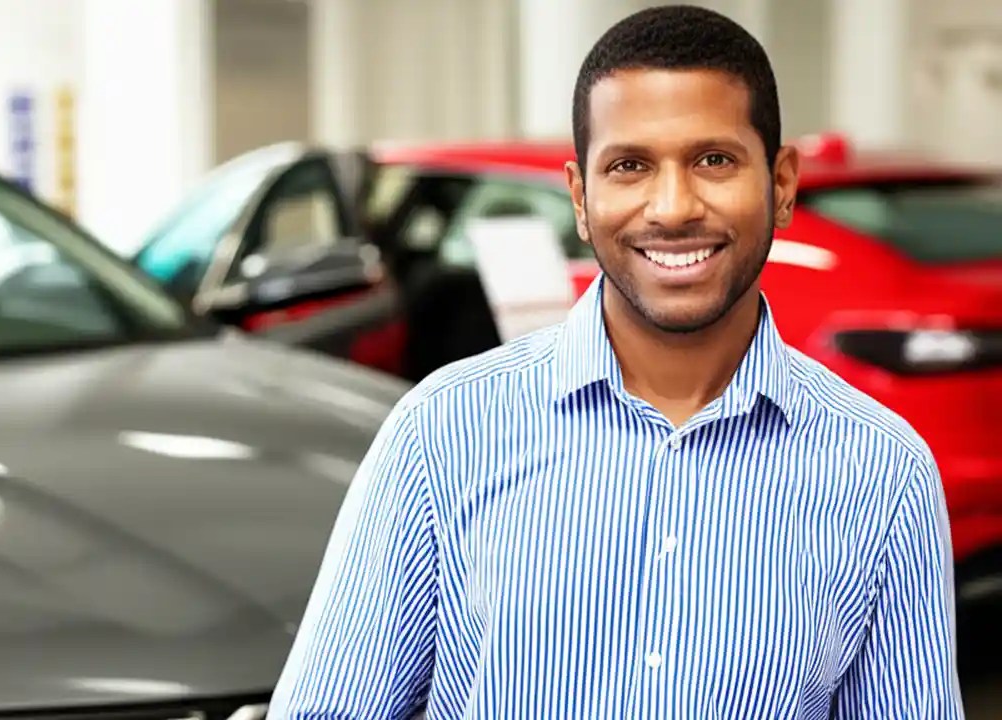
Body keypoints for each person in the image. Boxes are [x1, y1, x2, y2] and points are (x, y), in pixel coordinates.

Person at [269, 5, 964, 718]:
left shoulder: (882, 472)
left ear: (781, 183)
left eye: (713, 160)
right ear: (579, 196)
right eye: (630, 166)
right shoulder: (442, 434)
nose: (671, 207)